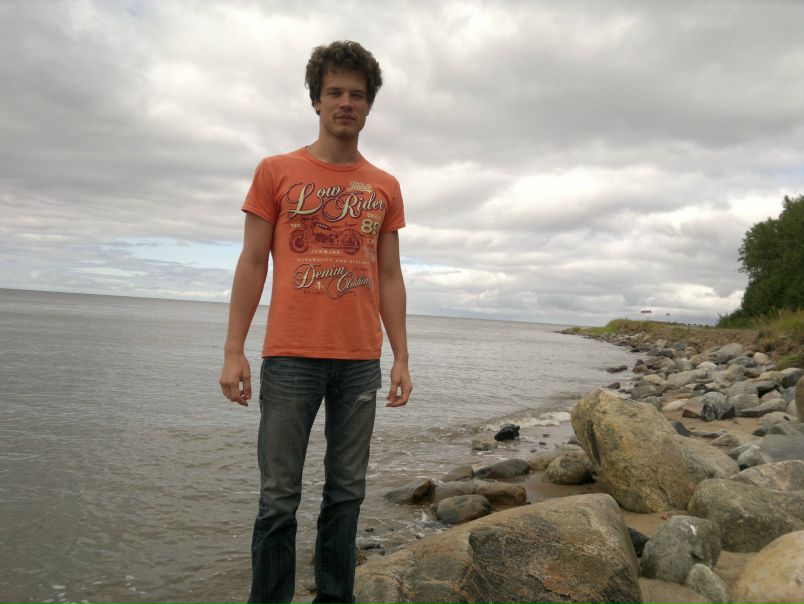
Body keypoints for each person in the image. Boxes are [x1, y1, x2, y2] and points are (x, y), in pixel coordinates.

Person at [219, 40, 412, 604]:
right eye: (335, 92)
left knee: (346, 495)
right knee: (278, 499)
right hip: (290, 357)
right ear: (316, 100)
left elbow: (390, 275)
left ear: (369, 105)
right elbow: (253, 263)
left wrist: (401, 356)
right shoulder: (276, 171)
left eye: (357, 94)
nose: (346, 103)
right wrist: (234, 350)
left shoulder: (384, 185)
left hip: (359, 362)